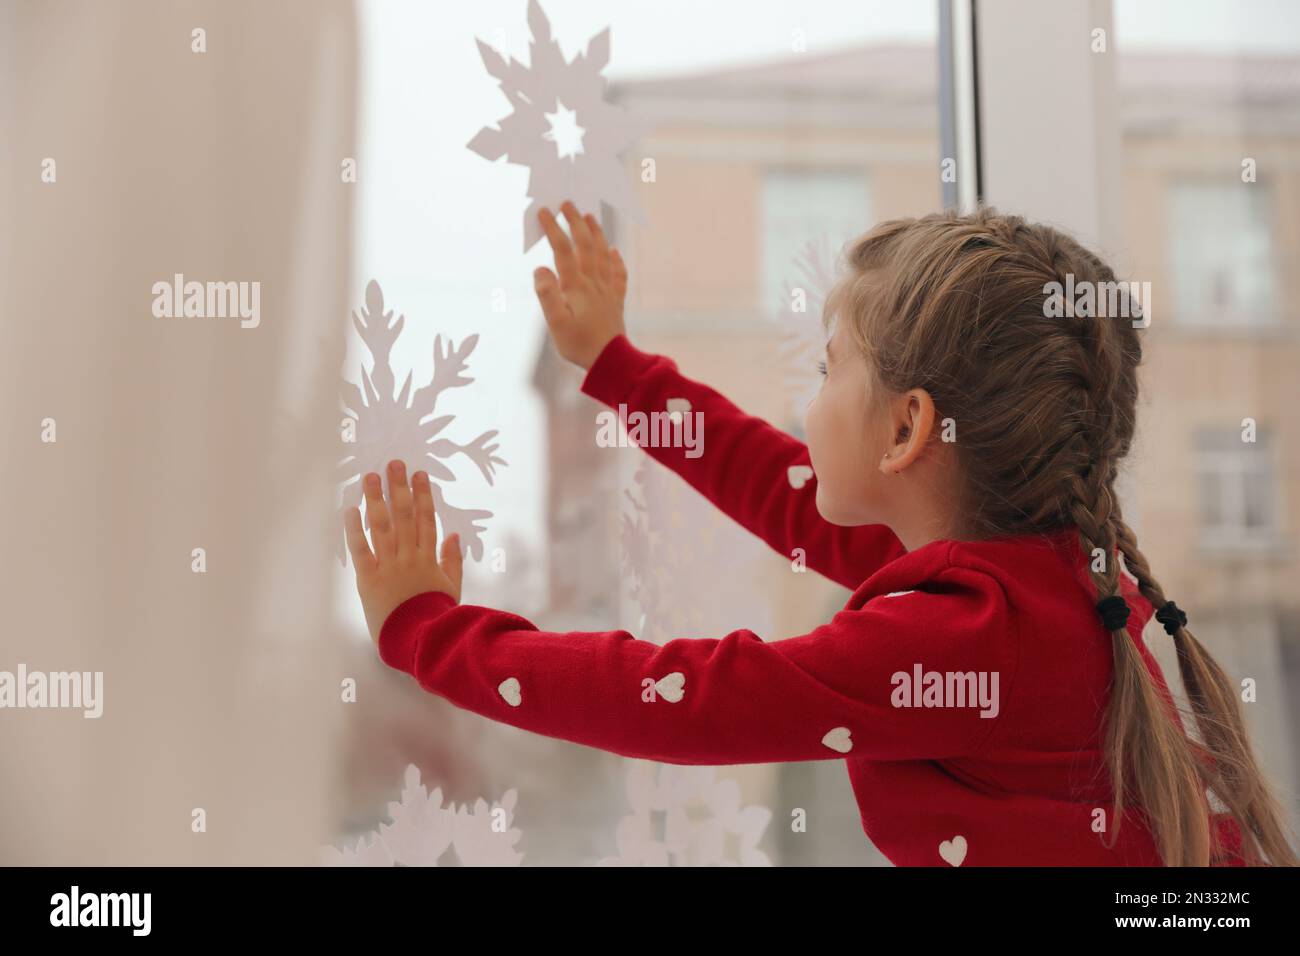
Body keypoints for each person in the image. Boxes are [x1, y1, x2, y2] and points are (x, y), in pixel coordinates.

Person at [343, 201, 1296, 866]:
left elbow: (669, 699)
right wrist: (619, 368)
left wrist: (427, 635)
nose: (809, 402)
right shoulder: (1040, 581)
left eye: (830, 368)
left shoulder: (963, 633)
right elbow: (786, 494)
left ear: (908, 429)